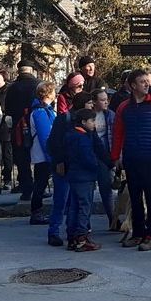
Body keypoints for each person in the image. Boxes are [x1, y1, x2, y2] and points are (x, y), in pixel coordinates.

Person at [111, 69, 151, 251]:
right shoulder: (123, 107)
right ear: (133, 86)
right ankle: (137, 233)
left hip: (149, 158)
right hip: (131, 157)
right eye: (142, 81)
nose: (147, 84)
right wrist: (116, 156)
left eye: (147, 81)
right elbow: (118, 133)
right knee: (135, 197)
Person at [44, 91, 94, 246]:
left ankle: (74, 232)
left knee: (75, 202)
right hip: (63, 166)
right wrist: (59, 162)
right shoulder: (64, 119)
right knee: (61, 199)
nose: (92, 105)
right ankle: (54, 231)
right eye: (89, 103)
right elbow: (53, 142)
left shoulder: (86, 123)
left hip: (77, 168)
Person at [64, 108, 110, 252]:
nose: (94, 124)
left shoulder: (71, 135)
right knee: (84, 206)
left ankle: (72, 237)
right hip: (84, 176)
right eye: (92, 121)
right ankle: (81, 238)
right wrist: (97, 166)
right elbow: (88, 158)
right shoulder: (82, 138)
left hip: (74, 175)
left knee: (74, 207)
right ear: (83, 122)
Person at [4, 61, 40, 197]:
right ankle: (39, 186)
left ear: (19, 71)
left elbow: (8, 109)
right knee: (39, 156)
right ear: (31, 71)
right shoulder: (38, 85)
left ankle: (26, 186)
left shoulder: (13, 88)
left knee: (21, 157)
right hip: (37, 124)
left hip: (18, 126)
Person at [28, 82, 59, 225]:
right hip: (42, 155)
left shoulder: (46, 110)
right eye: (53, 91)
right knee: (40, 184)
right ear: (48, 93)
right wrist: (51, 156)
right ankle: (36, 212)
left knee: (41, 183)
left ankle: (37, 212)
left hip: (44, 154)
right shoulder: (40, 112)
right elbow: (45, 136)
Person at [91, 89, 117, 230]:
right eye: (102, 99)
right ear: (94, 102)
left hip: (105, 156)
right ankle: (84, 225)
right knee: (88, 190)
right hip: (90, 155)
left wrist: (116, 157)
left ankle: (112, 219)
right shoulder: (87, 115)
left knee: (106, 188)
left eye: (106, 99)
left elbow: (116, 137)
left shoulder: (110, 115)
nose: (106, 101)